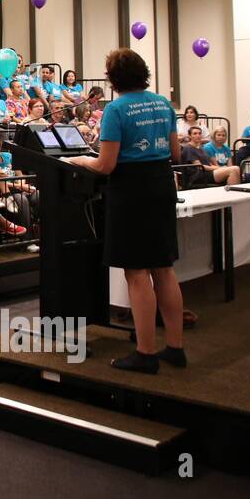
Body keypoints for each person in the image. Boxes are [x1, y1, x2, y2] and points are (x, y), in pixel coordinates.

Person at [67, 48, 183, 374]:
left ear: (113, 78)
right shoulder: (163, 103)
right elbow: (174, 151)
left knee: (136, 272)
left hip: (132, 191)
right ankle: (175, 347)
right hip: (161, 185)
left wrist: (78, 160)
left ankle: (145, 353)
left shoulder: (116, 110)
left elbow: (105, 165)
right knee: (163, 268)